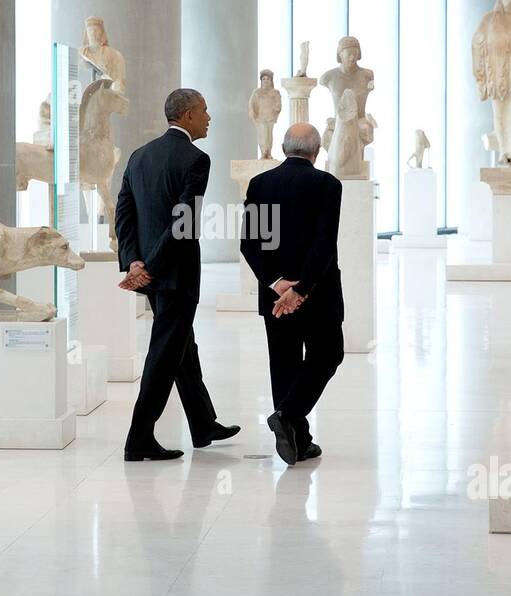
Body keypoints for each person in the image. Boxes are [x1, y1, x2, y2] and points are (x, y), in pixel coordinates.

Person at [114, 88, 240, 461]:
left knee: (183, 345)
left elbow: (124, 214)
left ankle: (202, 424)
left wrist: (135, 262)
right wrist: (150, 267)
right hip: (175, 273)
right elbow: (184, 223)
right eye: (203, 110)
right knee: (164, 354)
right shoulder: (196, 159)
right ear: (186, 116)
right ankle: (139, 439)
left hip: (151, 274)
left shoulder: (139, 156)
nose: (209, 117)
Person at [240, 123, 345, 465]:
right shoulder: (327, 184)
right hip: (318, 292)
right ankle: (289, 419)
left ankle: (297, 439)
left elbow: (249, 243)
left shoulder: (260, 183)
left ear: (285, 149)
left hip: (274, 295)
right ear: (316, 152)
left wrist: (276, 283)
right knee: (328, 354)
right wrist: (301, 289)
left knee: (283, 363)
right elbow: (323, 244)